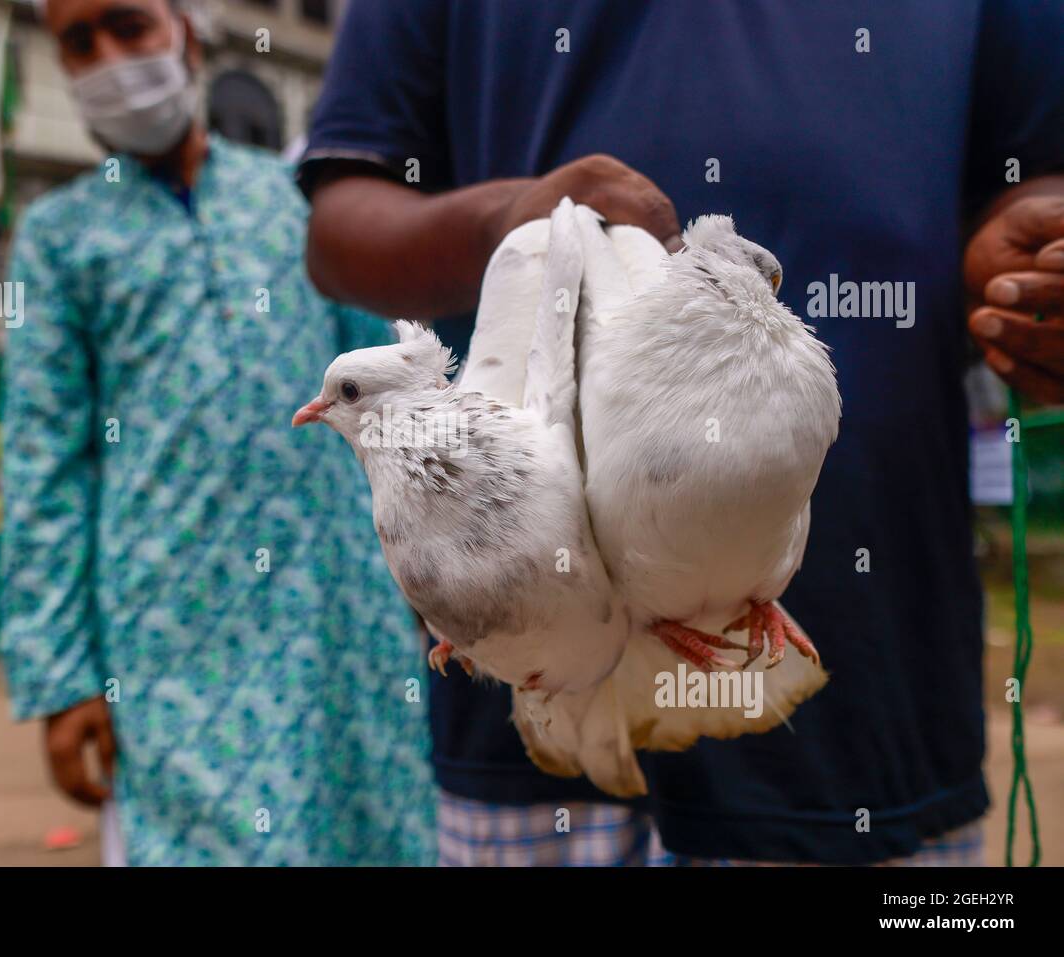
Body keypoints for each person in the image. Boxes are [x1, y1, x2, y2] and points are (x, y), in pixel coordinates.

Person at [300, 0, 1064, 866]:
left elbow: (1034, 172)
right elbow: (340, 223)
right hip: (526, 658)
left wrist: (1020, 264)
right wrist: (508, 228)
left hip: (873, 673)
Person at [0, 0, 434, 866]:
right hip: (168, 633)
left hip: (342, 609)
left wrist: (440, 572)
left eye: (129, 26)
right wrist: (61, 676)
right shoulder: (58, 240)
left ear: (187, 36)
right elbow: (45, 461)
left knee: (377, 830)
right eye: (79, 42)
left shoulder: (300, 202)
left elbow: (393, 383)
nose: (110, 58)